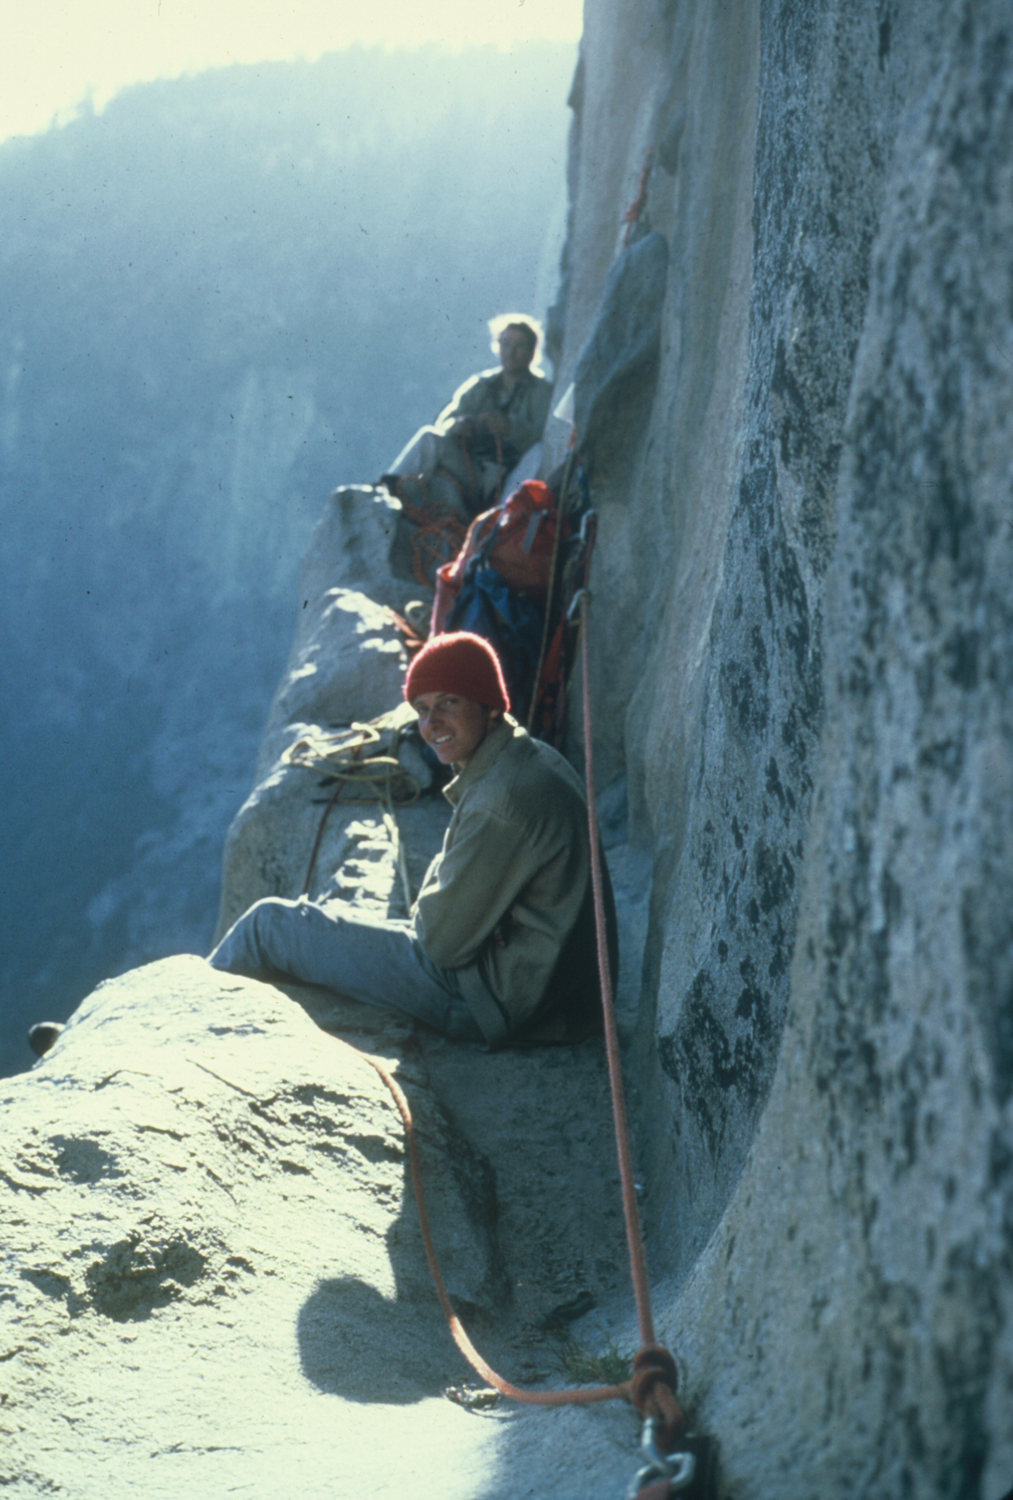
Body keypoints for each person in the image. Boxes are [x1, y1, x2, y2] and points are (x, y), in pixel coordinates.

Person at [209, 632, 612, 1047]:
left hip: (493, 999)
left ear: (488, 705)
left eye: (449, 703)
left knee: (269, 926)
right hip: (543, 991)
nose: (431, 724)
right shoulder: (530, 759)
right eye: (422, 710)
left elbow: (439, 943)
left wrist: (442, 909)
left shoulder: (500, 799)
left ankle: (189, 1019)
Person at [382, 314, 554, 519]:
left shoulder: (541, 392)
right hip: (471, 467)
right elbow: (445, 421)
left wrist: (510, 428)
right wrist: (459, 425)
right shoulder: (481, 385)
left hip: (511, 473)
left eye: (519, 346)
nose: (511, 353)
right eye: (506, 344)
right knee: (429, 437)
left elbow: (545, 434)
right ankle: (389, 491)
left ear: (531, 352)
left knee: (539, 451)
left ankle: (502, 517)